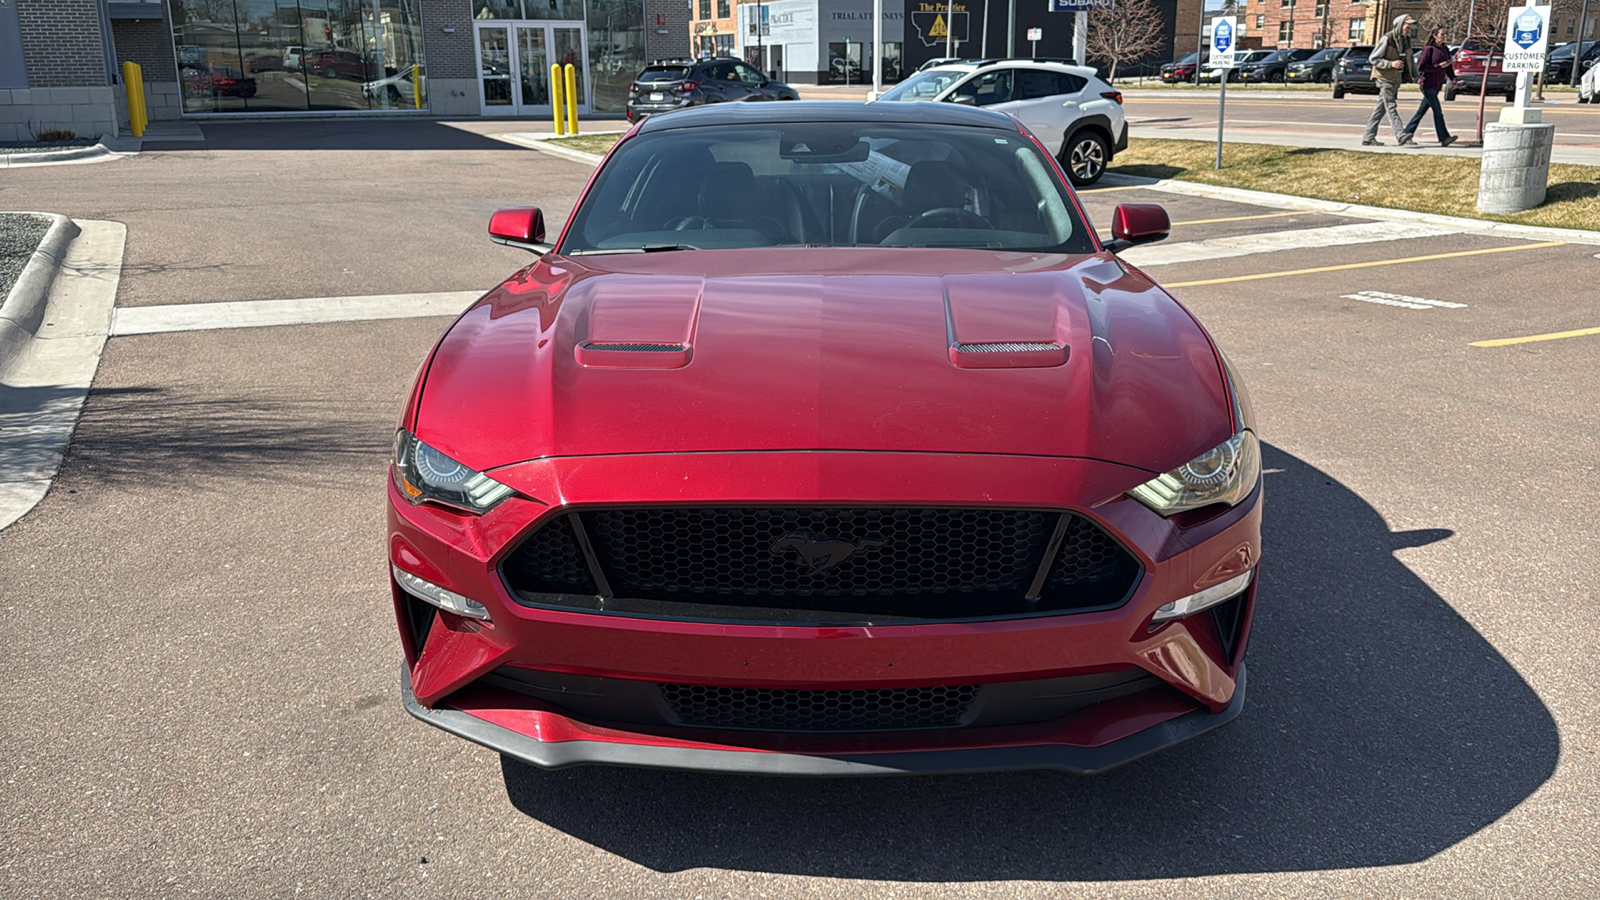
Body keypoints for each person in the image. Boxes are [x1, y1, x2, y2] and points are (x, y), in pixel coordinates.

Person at [1363, 14, 1419, 147]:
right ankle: (1401, 135)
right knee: (1391, 106)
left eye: (1410, 27)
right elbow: (1374, 58)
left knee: (1380, 109)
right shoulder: (1387, 39)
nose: (1409, 29)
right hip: (1385, 78)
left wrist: (1415, 74)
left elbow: (1410, 59)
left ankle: (1368, 137)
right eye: (1407, 26)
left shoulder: (1406, 40)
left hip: (1395, 78)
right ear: (1399, 25)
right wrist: (1390, 64)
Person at [1403, 27, 1458, 147]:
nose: (1444, 36)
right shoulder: (1428, 49)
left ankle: (1406, 133)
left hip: (1437, 85)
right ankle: (1444, 137)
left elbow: (1448, 67)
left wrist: (1453, 79)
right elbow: (1421, 67)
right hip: (1427, 84)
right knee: (1438, 111)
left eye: (1445, 34)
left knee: (1420, 112)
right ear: (1434, 35)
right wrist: (1438, 66)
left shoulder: (1445, 49)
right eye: (1442, 34)